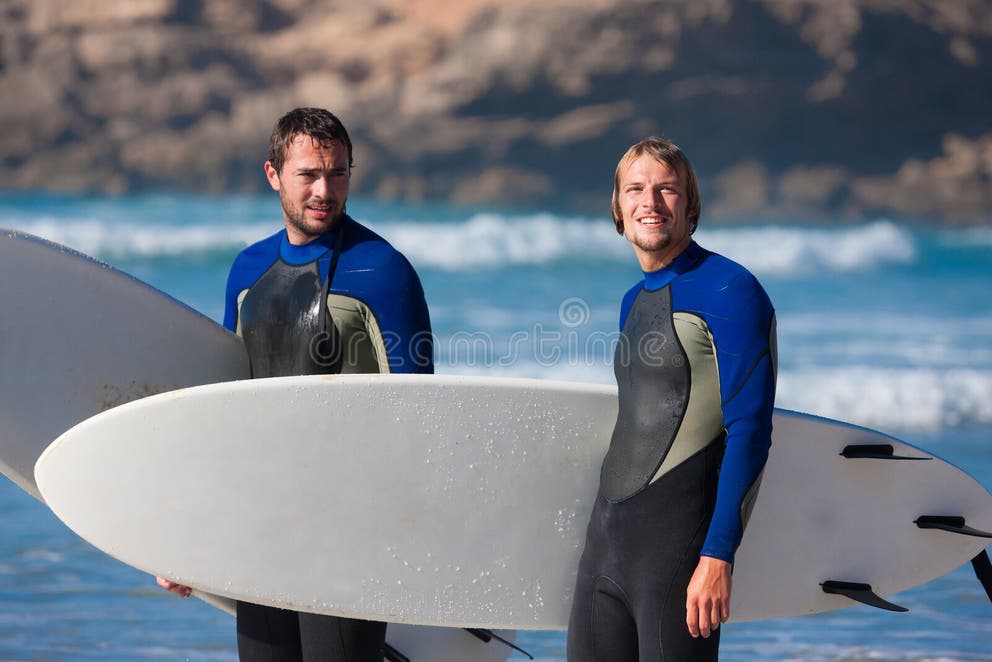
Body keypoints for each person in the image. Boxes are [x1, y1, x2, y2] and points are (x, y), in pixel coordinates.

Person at [158, 107, 433, 661]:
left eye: (338, 173)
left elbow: (421, 415)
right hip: (266, 525)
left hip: (347, 530)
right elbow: (229, 415)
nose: (324, 190)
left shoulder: (383, 272)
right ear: (273, 174)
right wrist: (190, 536)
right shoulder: (247, 272)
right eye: (309, 174)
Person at [567, 137, 777, 661]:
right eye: (635, 189)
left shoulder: (731, 290)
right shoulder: (631, 301)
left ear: (691, 204)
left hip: (677, 557)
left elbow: (750, 429)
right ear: (618, 208)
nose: (650, 202)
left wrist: (717, 556)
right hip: (604, 551)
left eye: (667, 189)